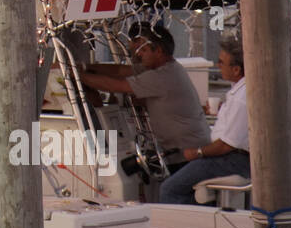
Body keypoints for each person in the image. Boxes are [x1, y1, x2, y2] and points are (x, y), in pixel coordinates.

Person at [79, 21, 210, 167]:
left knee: (169, 190)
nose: (139, 54)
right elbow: (121, 71)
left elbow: (118, 85)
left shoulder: (162, 75)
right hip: (182, 152)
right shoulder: (163, 68)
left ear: (159, 51)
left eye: (144, 50)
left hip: (188, 156)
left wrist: (77, 75)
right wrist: (86, 66)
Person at [158, 35, 250, 205]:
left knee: (169, 189)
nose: (217, 66)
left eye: (221, 62)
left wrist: (198, 152)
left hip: (232, 160)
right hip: (232, 158)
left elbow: (226, 145)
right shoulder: (239, 91)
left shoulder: (241, 98)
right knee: (184, 178)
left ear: (236, 70)